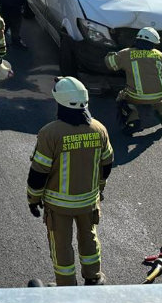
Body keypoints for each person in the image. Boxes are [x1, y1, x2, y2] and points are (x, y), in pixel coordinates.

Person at [27, 77, 114, 286]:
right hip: (88, 202)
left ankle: (66, 286)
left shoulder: (50, 133)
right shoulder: (99, 129)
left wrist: (33, 199)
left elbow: (39, 172)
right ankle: (93, 277)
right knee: (89, 238)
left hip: (59, 205)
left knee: (61, 245)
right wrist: (99, 188)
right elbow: (107, 163)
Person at [105, 27, 162, 134]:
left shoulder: (126, 54)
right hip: (159, 94)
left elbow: (110, 64)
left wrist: (110, 54)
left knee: (122, 98)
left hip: (136, 97)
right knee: (159, 97)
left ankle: (133, 121)